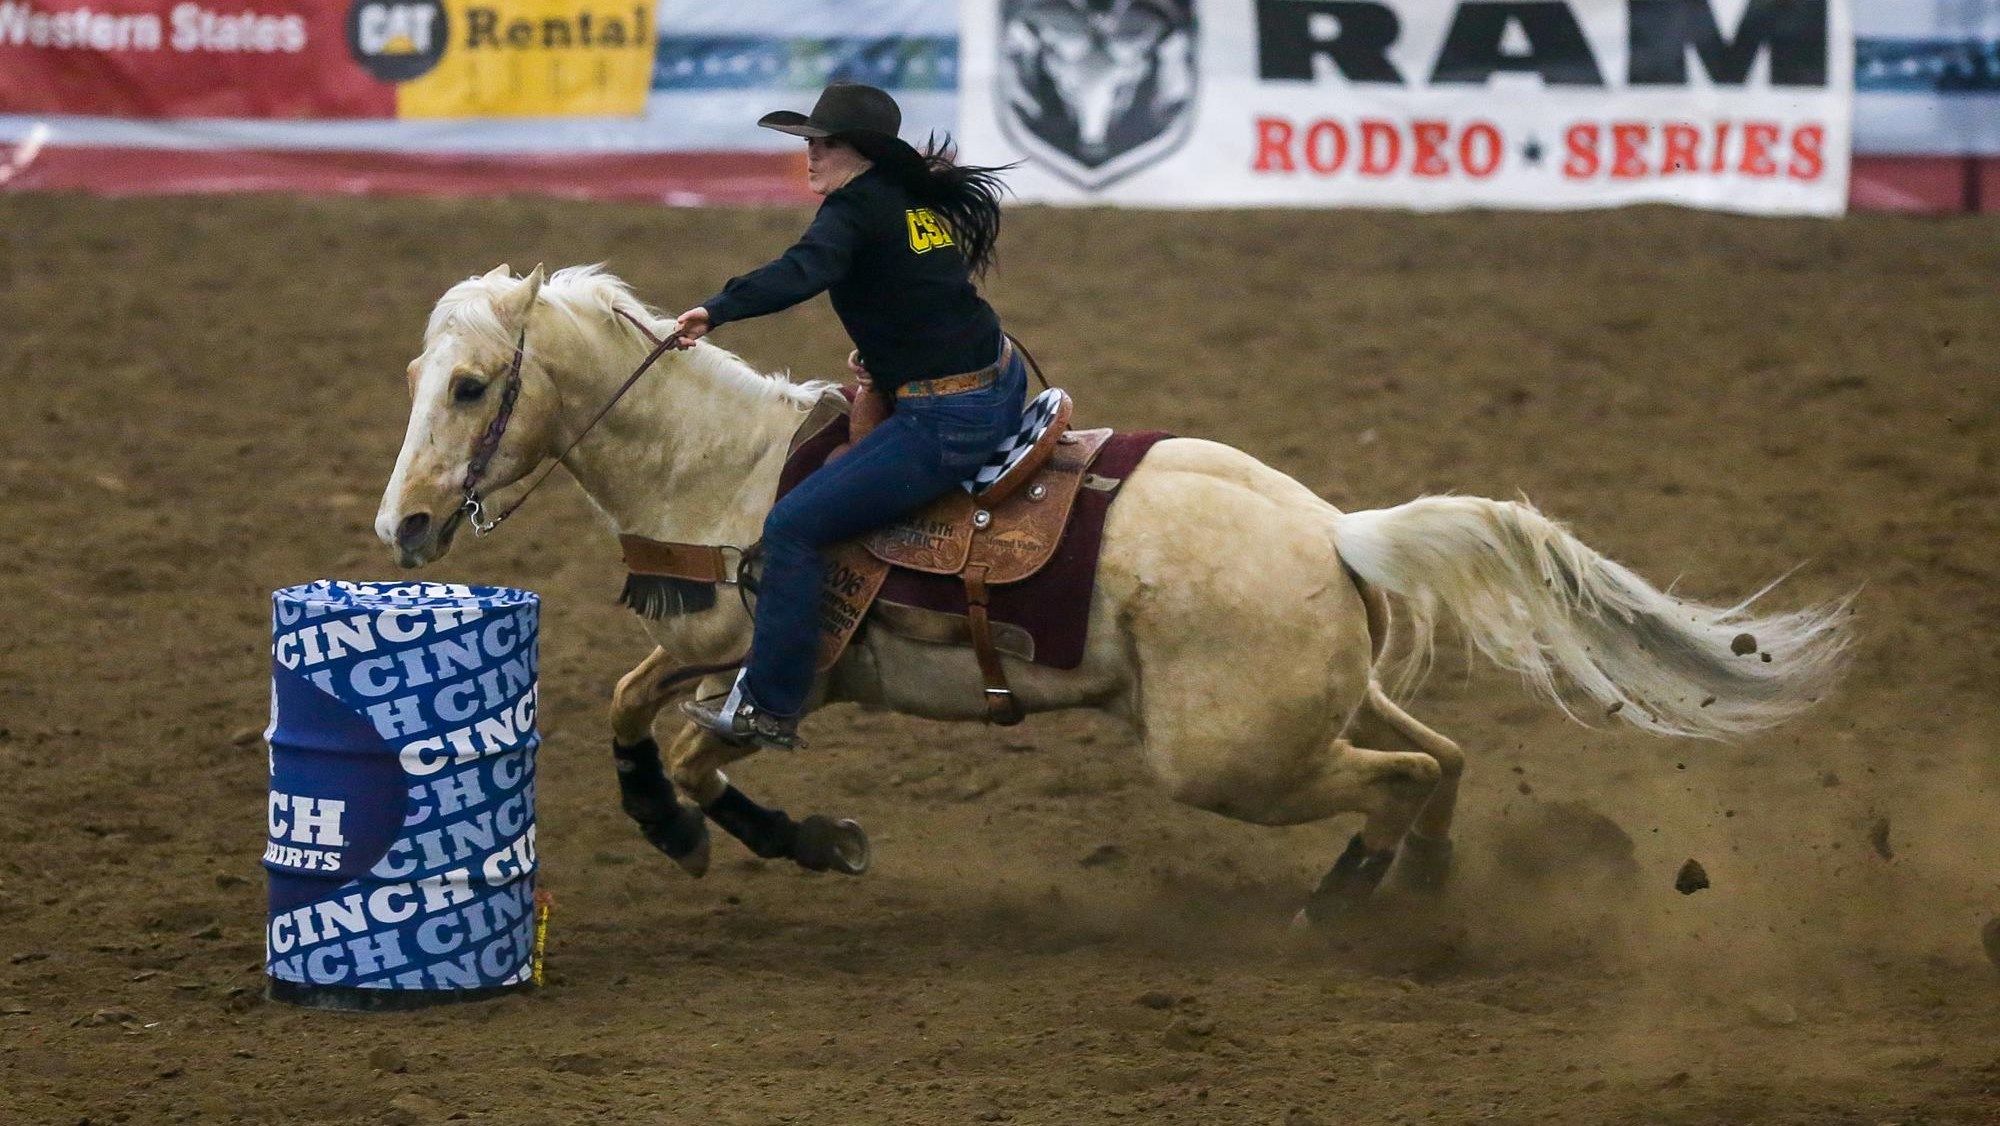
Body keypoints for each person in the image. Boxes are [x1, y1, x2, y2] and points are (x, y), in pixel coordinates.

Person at [667, 81, 1024, 749]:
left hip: (948, 416)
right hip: (1001, 381)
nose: (809, 152)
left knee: (795, 526)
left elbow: (803, 269)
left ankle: (770, 705)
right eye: (808, 139)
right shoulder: (911, 203)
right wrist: (887, 357)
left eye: (822, 142)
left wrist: (718, 309)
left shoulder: (853, 211)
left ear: (859, 151)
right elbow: (921, 290)